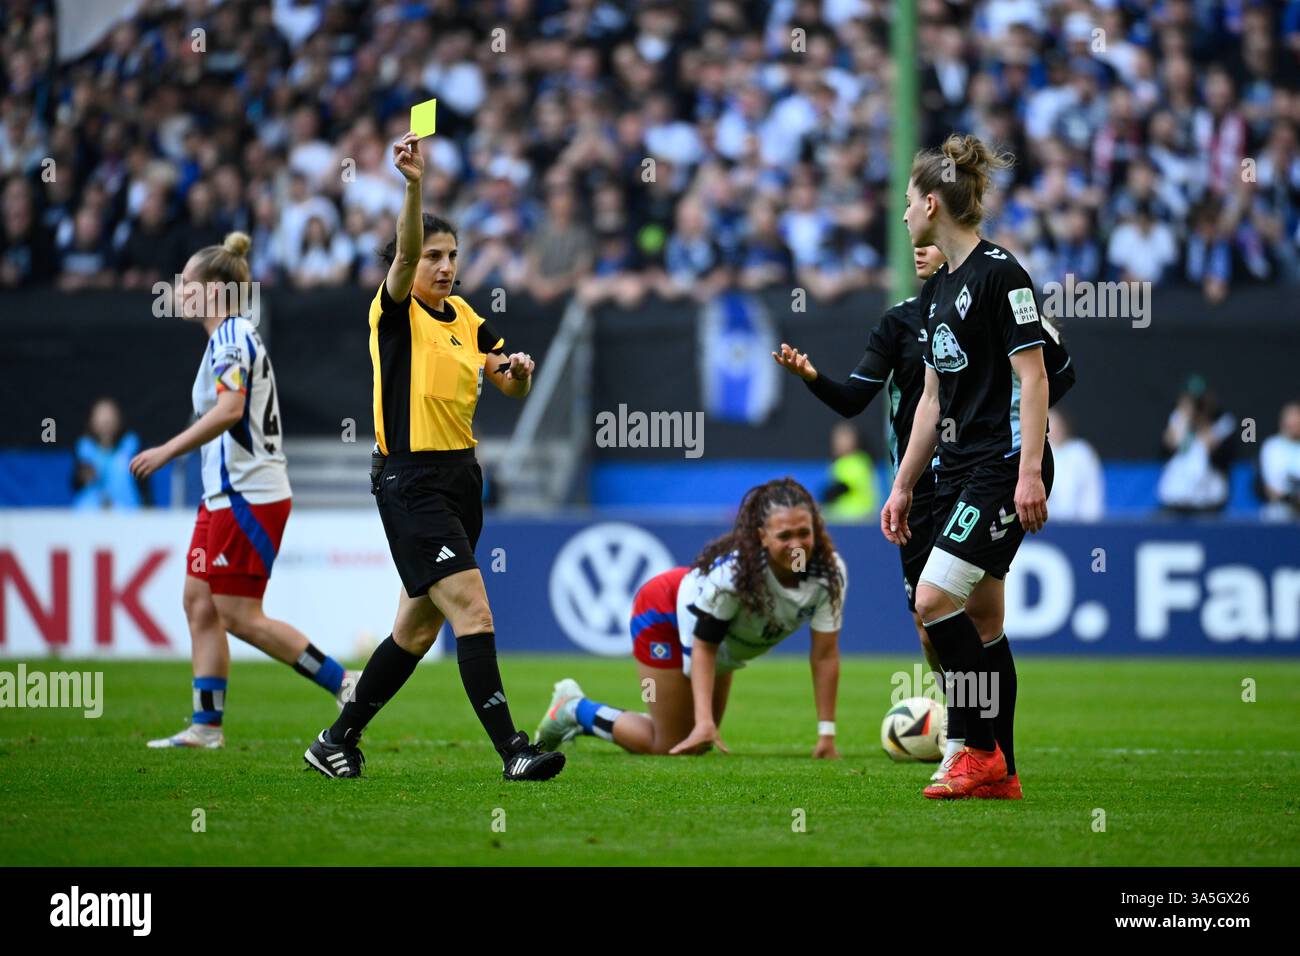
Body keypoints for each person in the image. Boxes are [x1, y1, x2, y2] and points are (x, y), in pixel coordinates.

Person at [303, 132, 564, 782]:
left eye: (453, 256)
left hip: (461, 480)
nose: (445, 266)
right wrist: (415, 185)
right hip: (410, 481)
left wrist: (519, 371)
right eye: (433, 255)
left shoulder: (466, 317)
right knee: (474, 609)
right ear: (407, 261)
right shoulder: (393, 314)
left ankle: (336, 740)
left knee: (415, 634)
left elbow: (509, 382)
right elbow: (405, 252)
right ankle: (514, 751)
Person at [775, 243, 1075, 785]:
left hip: (982, 471)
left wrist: (1014, 431)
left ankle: (969, 746)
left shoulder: (993, 288)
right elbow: (857, 400)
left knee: (973, 616)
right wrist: (813, 378)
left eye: (926, 239)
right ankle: (977, 751)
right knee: (931, 623)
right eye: (910, 244)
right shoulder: (904, 319)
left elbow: (1056, 372)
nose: (917, 248)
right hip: (925, 484)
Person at [130, 231, 356, 749]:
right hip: (222, 497)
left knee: (238, 614)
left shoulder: (232, 339)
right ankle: (206, 727)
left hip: (248, 496)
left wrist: (168, 451)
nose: (179, 291)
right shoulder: (226, 339)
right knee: (199, 602)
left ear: (214, 290)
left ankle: (344, 682)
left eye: (187, 283)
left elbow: (231, 410)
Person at [882, 134, 1054, 800]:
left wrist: (1030, 471)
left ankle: (977, 748)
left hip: (1003, 466)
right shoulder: (938, 288)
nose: (902, 217)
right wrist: (902, 485)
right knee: (982, 622)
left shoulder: (1000, 273)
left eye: (906, 203)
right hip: (957, 468)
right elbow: (930, 399)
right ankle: (1001, 769)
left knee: (931, 601)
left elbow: (1034, 378)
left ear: (931, 203)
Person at [534, 479, 846, 759]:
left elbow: (825, 656)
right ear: (762, 537)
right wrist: (704, 722)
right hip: (663, 611)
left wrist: (826, 735)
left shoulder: (829, 575)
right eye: (784, 535)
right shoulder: (732, 577)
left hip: (718, 640)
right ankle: (574, 710)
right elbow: (704, 647)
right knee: (668, 746)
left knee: (697, 742)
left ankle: (658, 719)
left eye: (804, 533)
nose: (797, 546)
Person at [73, 397, 146, 510]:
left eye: (110, 416)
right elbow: (76, 483)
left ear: (119, 420)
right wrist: (84, 476)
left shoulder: (131, 447)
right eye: (101, 416)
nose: (106, 421)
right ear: (91, 421)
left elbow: (145, 489)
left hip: (128, 514)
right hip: (89, 515)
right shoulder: (84, 449)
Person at [1046, 408, 1104, 520]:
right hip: (1043, 527)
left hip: (1078, 526)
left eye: (1055, 424)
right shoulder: (1029, 457)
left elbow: (1091, 495)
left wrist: (1090, 526)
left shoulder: (1081, 452)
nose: (1052, 430)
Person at [1259, 400, 1300, 520]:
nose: (1295, 423)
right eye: (1291, 419)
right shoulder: (1272, 446)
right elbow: (1272, 489)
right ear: (1283, 421)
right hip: (1281, 509)